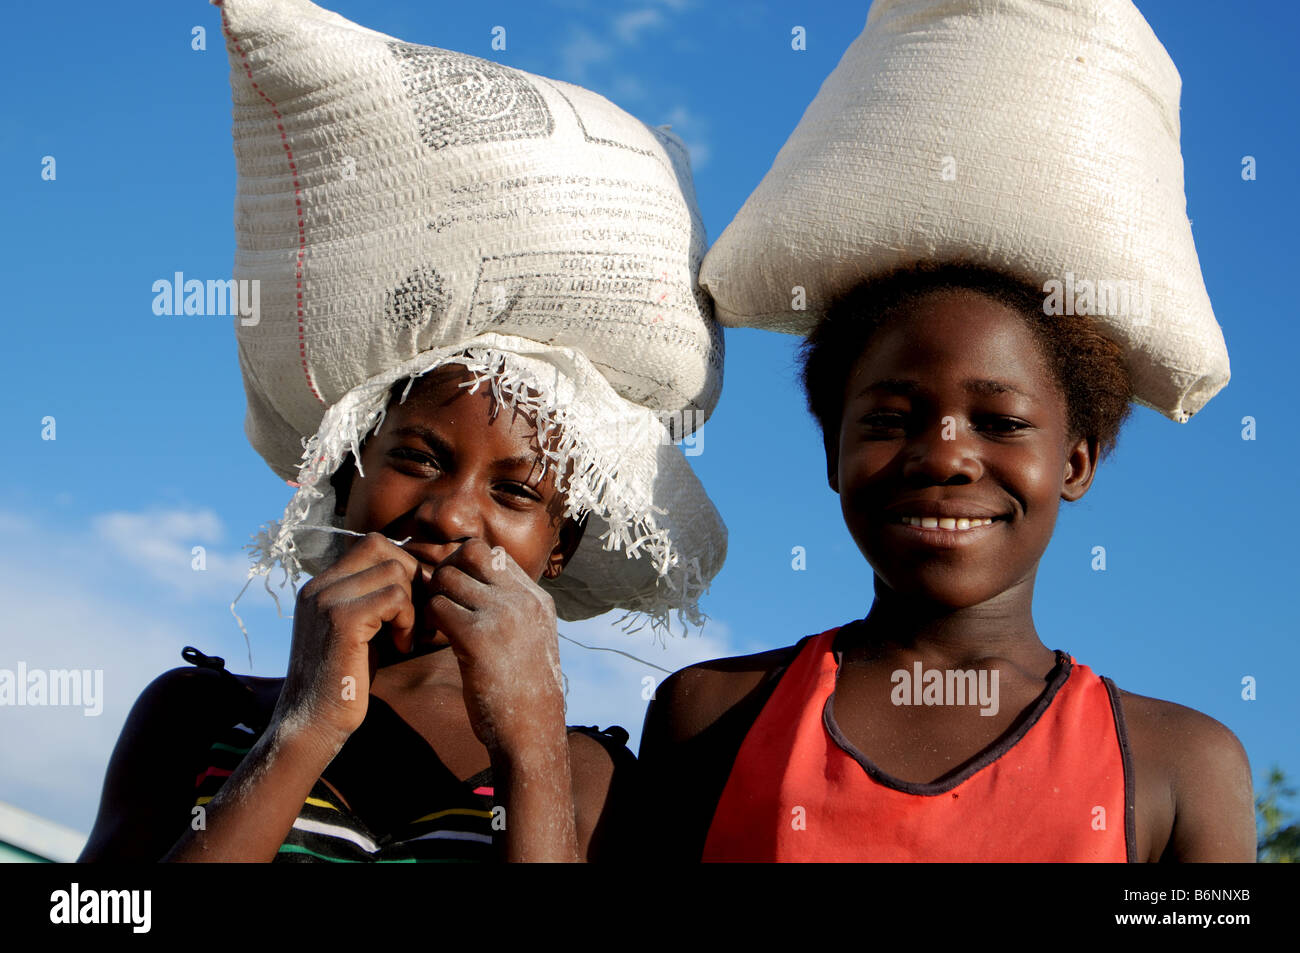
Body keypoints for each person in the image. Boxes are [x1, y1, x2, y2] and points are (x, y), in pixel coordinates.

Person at [79, 0, 725, 862]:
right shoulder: (201, 715)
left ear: (559, 549)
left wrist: (531, 748)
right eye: (417, 458)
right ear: (345, 470)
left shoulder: (585, 775)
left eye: (516, 491)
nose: (450, 516)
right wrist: (301, 730)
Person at [637, 264, 1255, 861]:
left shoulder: (1179, 765)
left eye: (1001, 423)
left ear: (1075, 464)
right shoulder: (712, 716)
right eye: (890, 421)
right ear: (834, 454)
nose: (943, 457)